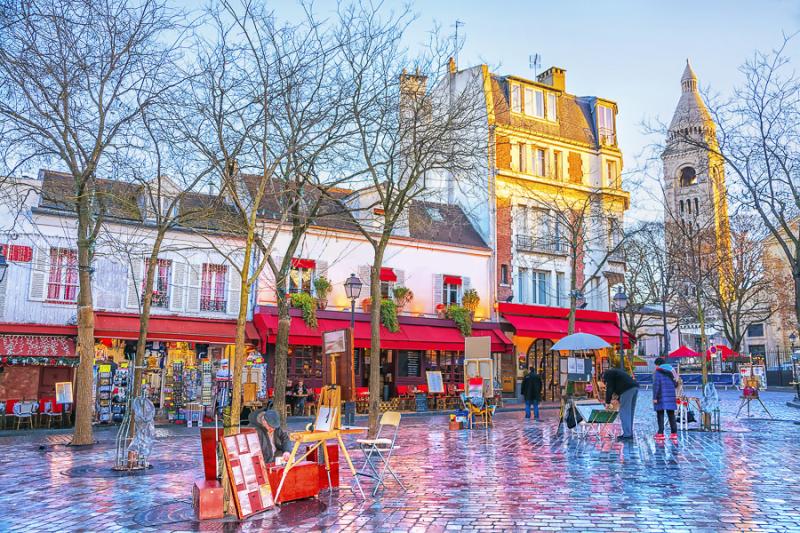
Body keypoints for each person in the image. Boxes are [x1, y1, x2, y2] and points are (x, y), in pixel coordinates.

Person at [603, 368, 639, 440]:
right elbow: (619, 386)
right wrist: (618, 399)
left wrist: (607, 402)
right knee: (630, 412)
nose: (605, 383)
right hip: (634, 388)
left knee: (624, 412)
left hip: (627, 390)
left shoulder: (608, 375)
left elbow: (609, 388)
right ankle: (629, 433)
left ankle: (627, 435)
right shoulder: (615, 373)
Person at [652, 357, 678, 440]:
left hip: (660, 396)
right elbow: (676, 383)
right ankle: (674, 433)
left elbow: (656, 385)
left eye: (655, 365)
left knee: (660, 414)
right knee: (671, 414)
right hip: (670, 396)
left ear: (658, 364)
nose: (655, 367)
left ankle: (660, 433)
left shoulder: (658, 372)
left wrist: (655, 397)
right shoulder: (672, 370)